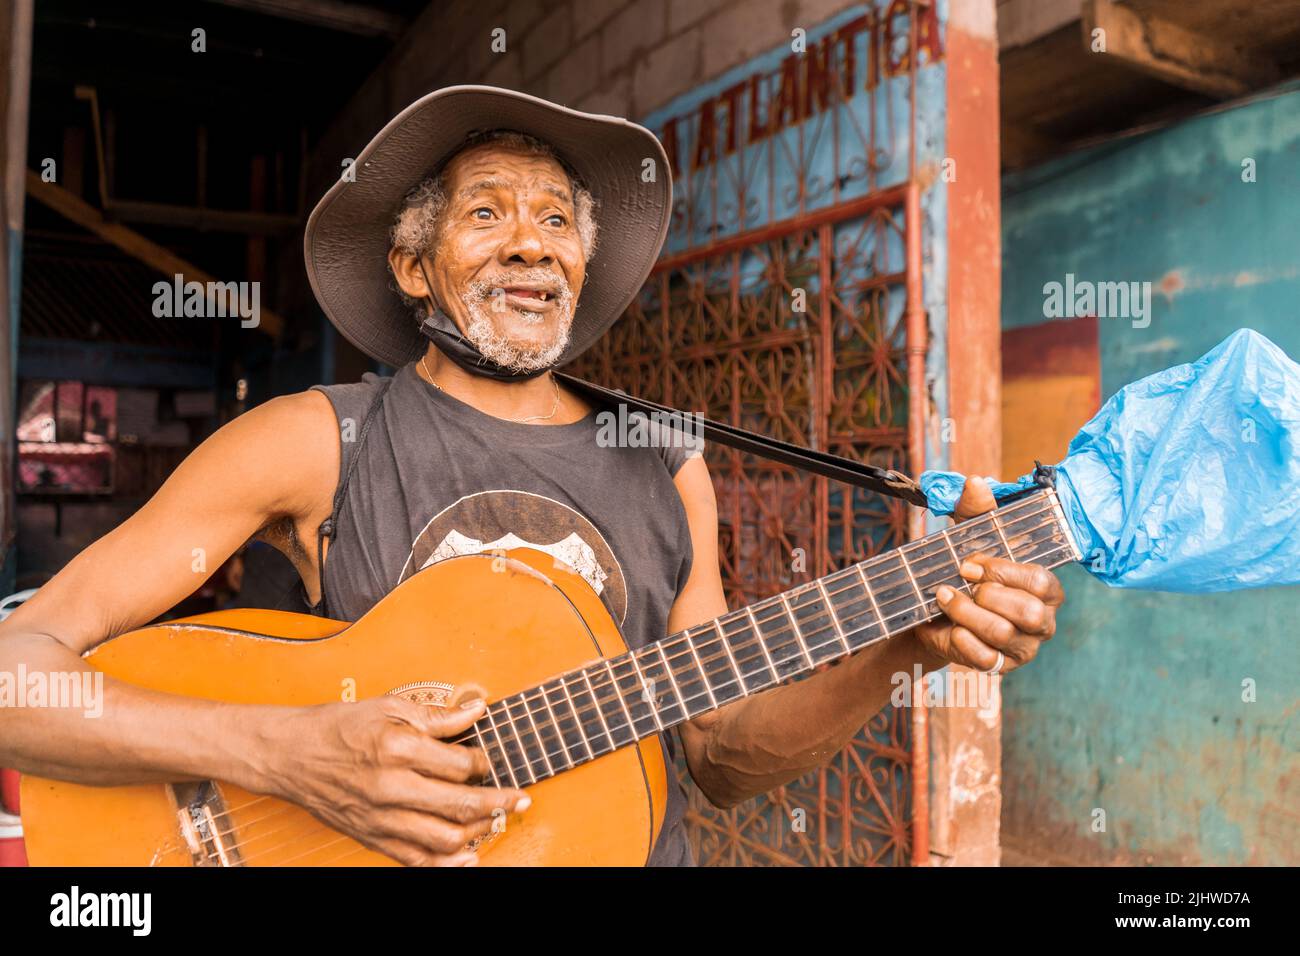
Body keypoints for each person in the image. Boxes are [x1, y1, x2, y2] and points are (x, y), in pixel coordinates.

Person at [0, 87, 1064, 866]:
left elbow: (719, 753)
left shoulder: (665, 458)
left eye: (557, 219)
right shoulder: (317, 439)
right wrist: (283, 750)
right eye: (487, 212)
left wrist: (898, 644)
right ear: (415, 268)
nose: (532, 244)